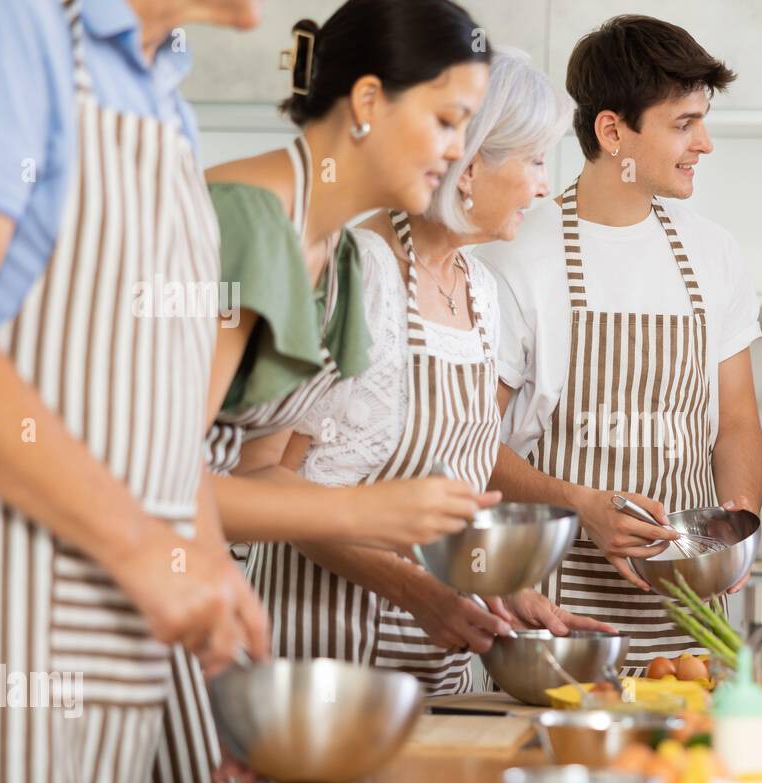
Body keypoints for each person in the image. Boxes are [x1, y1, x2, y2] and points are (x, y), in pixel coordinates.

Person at [152, 0, 496, 783]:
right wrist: (368, 509)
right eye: (448, 121)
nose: (457, 153)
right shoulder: (246, 222)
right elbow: (158, 478)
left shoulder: (338, 260)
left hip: (187, 598)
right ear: (369, 102)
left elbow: (262, 475)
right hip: (99, 582)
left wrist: (418, 540)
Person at [0, 0, 268, 783]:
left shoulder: (162, 95)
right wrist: (141, 545)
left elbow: (164, 405)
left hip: (117, 647)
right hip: (8, 618)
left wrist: (205, 561)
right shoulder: (14, 26)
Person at [259, 49, 613, 696]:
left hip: (436, 671)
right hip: (324, 668)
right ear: (472, 166)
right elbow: (273, 488)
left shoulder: (479, 290)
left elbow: (454, 500)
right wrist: (416, 590)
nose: (544, 186)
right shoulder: (352, 273)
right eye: (535, 161)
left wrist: (506, 590)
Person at [478, 16, 762, 674]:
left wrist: (733, 526)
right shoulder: (519, 253)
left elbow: (739, 423)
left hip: (690, 619)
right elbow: (468, 443)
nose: (706, 143)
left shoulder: (713, 254)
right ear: (613, 132)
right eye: (684, 123)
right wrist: (582, 505)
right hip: (558, 618)